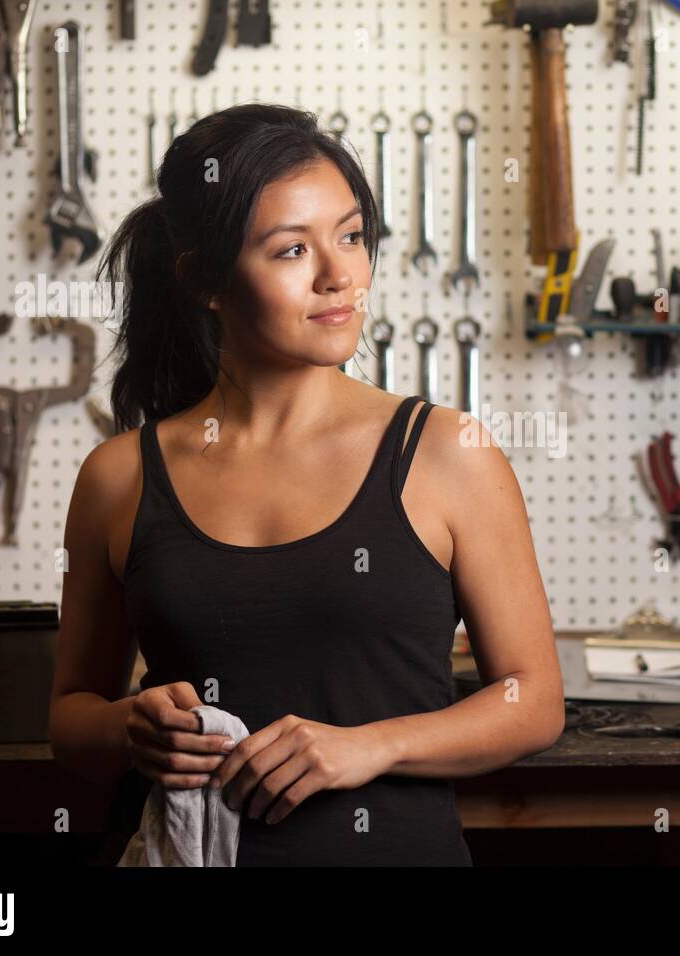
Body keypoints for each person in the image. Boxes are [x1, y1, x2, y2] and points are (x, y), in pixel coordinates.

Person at [48, 104, 564, 865]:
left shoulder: (448, 453)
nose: (340, 276)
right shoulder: (120, 475)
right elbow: (70, 720)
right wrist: (131, 728)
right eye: (292, 250)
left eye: (351, 236)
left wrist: (368, 748)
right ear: (205, 281)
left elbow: (534, 701)